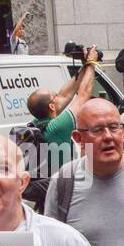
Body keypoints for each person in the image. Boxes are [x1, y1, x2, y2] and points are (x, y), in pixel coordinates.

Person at [43, 98, 124, 246]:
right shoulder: (64, 182)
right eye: (97, 130)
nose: (108, 136)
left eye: (114, 127)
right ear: (77, 138)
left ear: (123, 131)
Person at [24, 45, 100, 175]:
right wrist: (92, 64)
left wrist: (84, 65)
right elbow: (83, 94)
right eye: (54, 96)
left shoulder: (36, 124)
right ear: (51, 106)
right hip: (62, 186)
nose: (58, 96)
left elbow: (64, 95)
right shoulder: (58, 127)